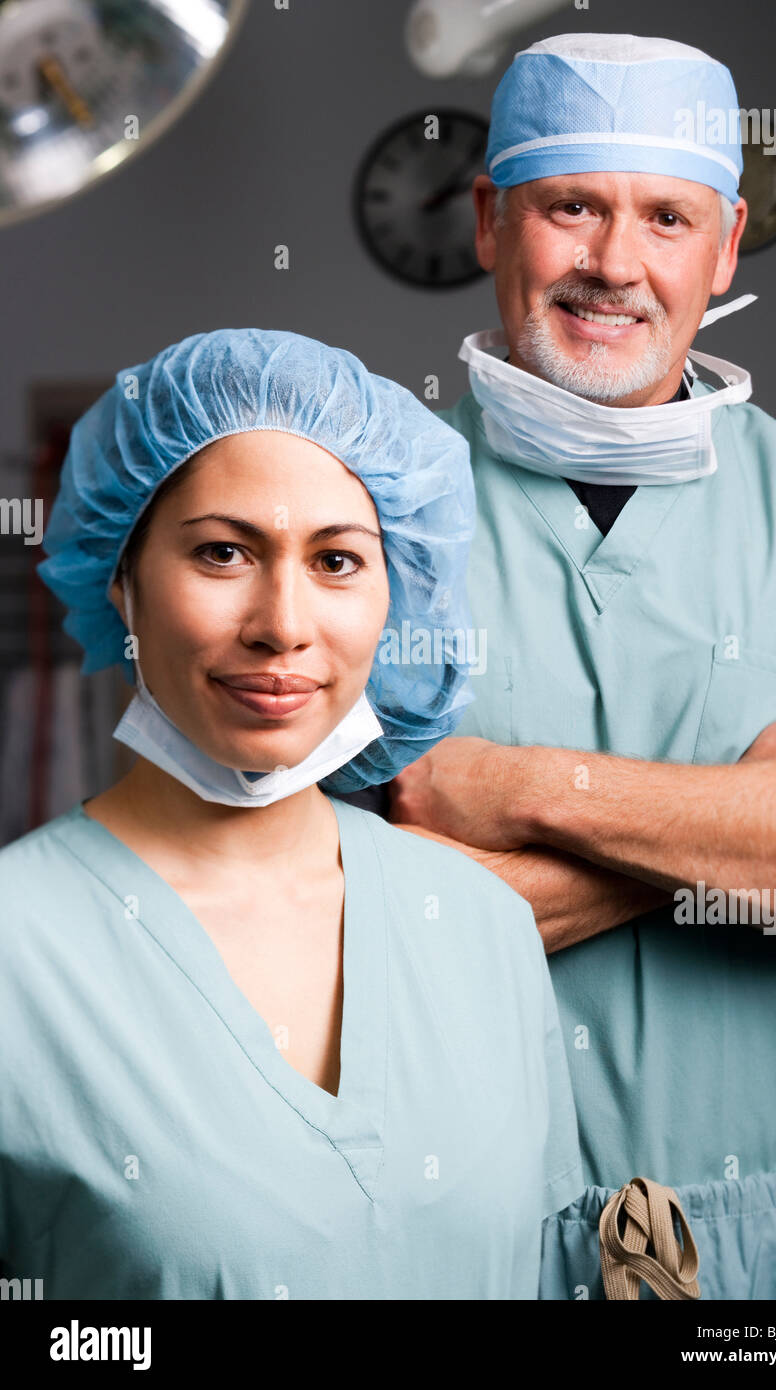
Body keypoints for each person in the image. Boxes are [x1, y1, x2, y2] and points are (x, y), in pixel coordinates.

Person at [386, 34, 776, 1299]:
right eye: (570, 207)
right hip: (466, 1253)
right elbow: (359, 936)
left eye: (665, 215)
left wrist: (513, 789)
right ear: (491, 221)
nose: (613, 262)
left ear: (721, 252)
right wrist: (751, 807)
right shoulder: (364, 523)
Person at [0, 327, 583, 1300]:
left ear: (399, 596)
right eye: (223, 552)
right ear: (121, 578)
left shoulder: (478, 924)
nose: (282, 623)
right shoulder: (21, 943)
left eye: (338, 561)